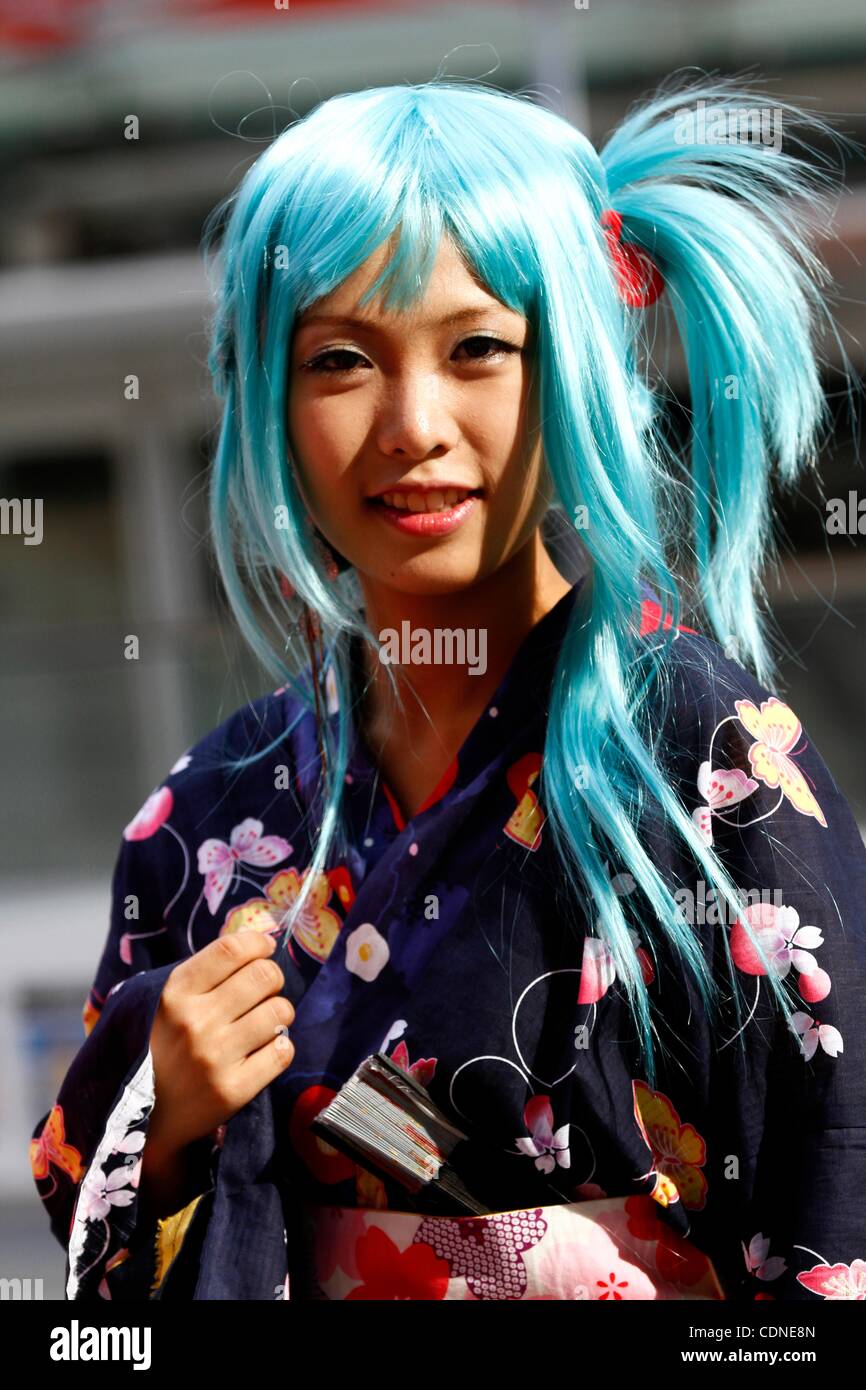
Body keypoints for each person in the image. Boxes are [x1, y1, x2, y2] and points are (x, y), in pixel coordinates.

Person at [31, 72, 866, 1302]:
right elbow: (97, 1239)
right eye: (338, 359)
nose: (412, 424)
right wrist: (160, 1110)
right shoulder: (204, 818)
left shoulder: (710, 763)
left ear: (572, 365)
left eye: (477, 347)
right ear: (263, 393)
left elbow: (832, 1207)